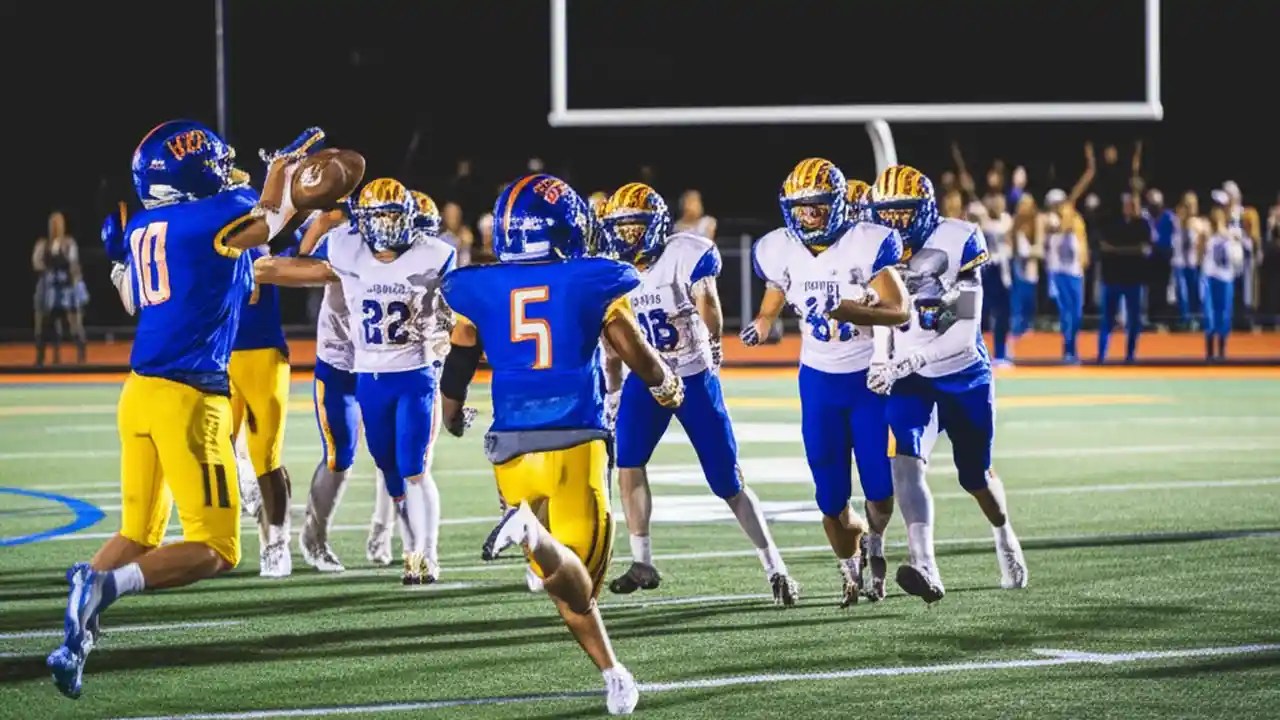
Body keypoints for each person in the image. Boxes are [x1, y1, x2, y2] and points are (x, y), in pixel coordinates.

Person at [45, 120, 309, 699]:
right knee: (218, 548)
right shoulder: (215, 215)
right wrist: (283, 173)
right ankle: (102, 590)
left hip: (138, 392)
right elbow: (270, 219)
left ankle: (75, 640)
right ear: (196, 170)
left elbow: (134, 297)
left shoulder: (144, 225)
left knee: (137, 533)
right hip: (188, 397)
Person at [438, 173, 685, 715]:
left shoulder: (474, 285)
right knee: (578, 588)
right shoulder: (593, 279)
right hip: (574, 443)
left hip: (509, 450)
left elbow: (457, 365)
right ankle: (530, 531)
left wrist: (452, 417)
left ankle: (615, 674)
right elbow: (633, 349)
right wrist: (667, 384)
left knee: (556, 582)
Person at [599, 182, 798, 605]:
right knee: (628, 463)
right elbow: (611, 339)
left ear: (654, 226)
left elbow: (706, 299)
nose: (629, 235)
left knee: (727, 481)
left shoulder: (684, 252)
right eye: (622, 227)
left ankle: (775, 567)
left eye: (636, 226)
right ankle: (643, 561)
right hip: (645, 379)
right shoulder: (609, 269)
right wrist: (613, 393)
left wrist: (711, 346)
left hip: (691, 376)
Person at [254, 178, 453, 585]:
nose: (388, 228)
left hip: (409, 369)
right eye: (378, 217)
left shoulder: (434, 255)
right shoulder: (347, 245)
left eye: (396, 218)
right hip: (351, 364)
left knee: (411, 466)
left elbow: (459, 314)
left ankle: (419, 550)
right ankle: (317, 533)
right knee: (354, 458)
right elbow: (298, 259)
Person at [743, 159, 910, 605]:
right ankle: (849, 567)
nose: (809, 215)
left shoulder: (865, 243)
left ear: (836, 205)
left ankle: (875, 539)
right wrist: (762, 324)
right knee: (829, 496)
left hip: (864, 379)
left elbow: (900, 309)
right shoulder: (780, 249)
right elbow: (773, 298)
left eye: (817, 206)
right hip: (818, 381)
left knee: (879, 487)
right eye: (801, 207)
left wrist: (862, 316)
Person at [865, 163, 1028, 604]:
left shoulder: (958, 240)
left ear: (924, 209)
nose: (894, 221)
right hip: (911, 378)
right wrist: (883, 358)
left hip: (962, 375)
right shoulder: (874, 243)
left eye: (903, 212)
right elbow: (882, 311)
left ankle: (1004, 533)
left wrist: (913, 356)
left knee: (975, 477)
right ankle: (925, 565)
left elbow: (963, 329)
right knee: (904, 464)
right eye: (887, 212)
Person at [1042, 143, 1097, 363]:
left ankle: (1072, 346)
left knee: (1077, 313)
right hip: (1060, 271)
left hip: (1075, 271)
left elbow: (1081, 240)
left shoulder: (1076, 220)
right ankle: (1068, 349)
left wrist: (1085, 257)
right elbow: (1057, 227)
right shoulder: (1052, 220)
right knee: (1067, 313)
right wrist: (1090, 168)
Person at [1096, 194, 1152, 363]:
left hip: (1133, 279)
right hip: (1112, 278)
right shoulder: (1112, 224)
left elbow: (1145, 249)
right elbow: (1104, 247)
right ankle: (1102, 354)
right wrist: (1130, 250)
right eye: (1129, 204)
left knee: (1134, 320)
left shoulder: (1143, 225)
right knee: (1107, 318)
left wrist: (1118, 250)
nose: (1132, 207)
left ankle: (1130, 354)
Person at [33, 211, 89, 365]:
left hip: (67, 290)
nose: (55, 227)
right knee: (45, 325)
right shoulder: (43, 244)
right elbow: (36, 262)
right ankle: (43, 357)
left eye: (58, 224)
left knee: (75, 324)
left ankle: (81, 356)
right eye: (52, 224)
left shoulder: (68, 243)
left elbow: (73, 264)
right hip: (48, 290)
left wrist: (70, 276)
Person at [1200, 204, 1245, 361]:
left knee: (1224, 314)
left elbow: (1239, 248)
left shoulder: (1232, 233)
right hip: (1210, 277)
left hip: (1225, 278)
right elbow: (1200, 253)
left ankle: (1222, 349)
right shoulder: (1207, 234)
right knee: (1209, 314)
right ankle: (1210, 350)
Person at [1009, 193, 1043, 341]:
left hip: (1030, 266)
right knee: (1017, 297)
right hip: (1016, 265)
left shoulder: (1036, 222)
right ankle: (1016, 326)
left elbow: (1040, 247)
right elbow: (1009, 242)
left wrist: (1029, 251)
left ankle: (1027, 324)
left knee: (1029, 298)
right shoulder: (1014, 222)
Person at [1171, 191, 1206, 330]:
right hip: (1179, 263)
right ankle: (1185, 318)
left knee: (1195, 291)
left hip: (1193, 263)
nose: (1191, 207)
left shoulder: (1199, 223)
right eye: (1188, 204)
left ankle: (1197, 319)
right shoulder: (1176, 221)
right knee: (1182, 292)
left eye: (1193, 204)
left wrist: (1200, 258)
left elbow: (1204, 241)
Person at [1145, 189, 1176, 326]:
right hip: (1150, 257)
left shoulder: (1169, 216)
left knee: (1163, 288)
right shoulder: (1145, 217)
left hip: (1164, 255)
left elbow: (1174, 236)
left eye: (1157, 204)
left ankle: (1162, 317)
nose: (1154, 207)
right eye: (1152, 204)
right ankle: (1151, 316)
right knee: (1151, 288)